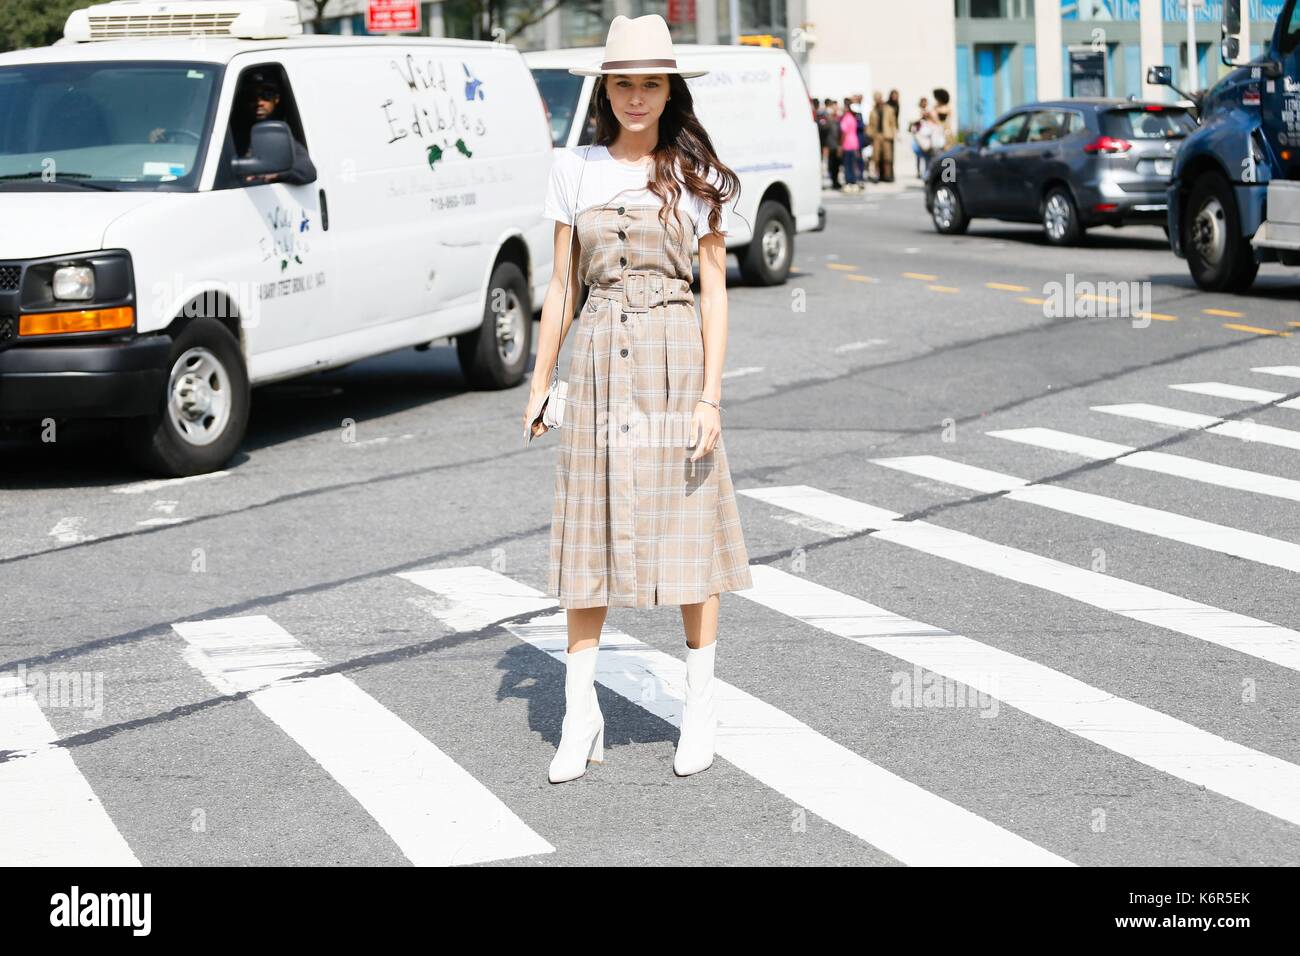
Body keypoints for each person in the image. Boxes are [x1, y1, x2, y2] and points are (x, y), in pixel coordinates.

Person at [525, 13, 754, 784]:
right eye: (623, 82)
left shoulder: (700, 177)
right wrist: (540, 379)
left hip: (676, 359)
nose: (635, 96)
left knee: (691, 531)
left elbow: (714, 293)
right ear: (606, 89)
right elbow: (560, 284)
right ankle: (578, 711)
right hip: (595, 361)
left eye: (649, 83)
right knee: (589, 533)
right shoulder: (574, 167)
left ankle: (699, 704)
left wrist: (710, 398)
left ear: (669, 90)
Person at [231, 71, 316, 186]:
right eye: (251, 97)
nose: (259, 102)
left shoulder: (278, 132)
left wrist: (275, 174)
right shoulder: (230, 132)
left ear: (276, 99)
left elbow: (307, 171)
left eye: (266, 95)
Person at [839, 96, 862, 191]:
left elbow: (844, 132)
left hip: (847, 144)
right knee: (853, 164)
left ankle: (849, 182)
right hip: (854, 142)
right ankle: (854, 182)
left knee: (847, 165)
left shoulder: (846, 118)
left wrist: (840, 145)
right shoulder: (853, 118)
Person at [821, 98, 843, 189]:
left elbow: (840, 133)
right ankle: (833, 181)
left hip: (837, 145)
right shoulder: (828, 119)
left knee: (837, 165)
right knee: (831, 165)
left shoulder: (838, 120)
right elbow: (823, 130)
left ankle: (835, 181)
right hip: (830, 145)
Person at [932, 87, 955, 151]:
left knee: (947, 145)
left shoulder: (947, 107)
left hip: (945, 128)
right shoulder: (935, 107)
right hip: (937, 128)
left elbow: (949, 119)